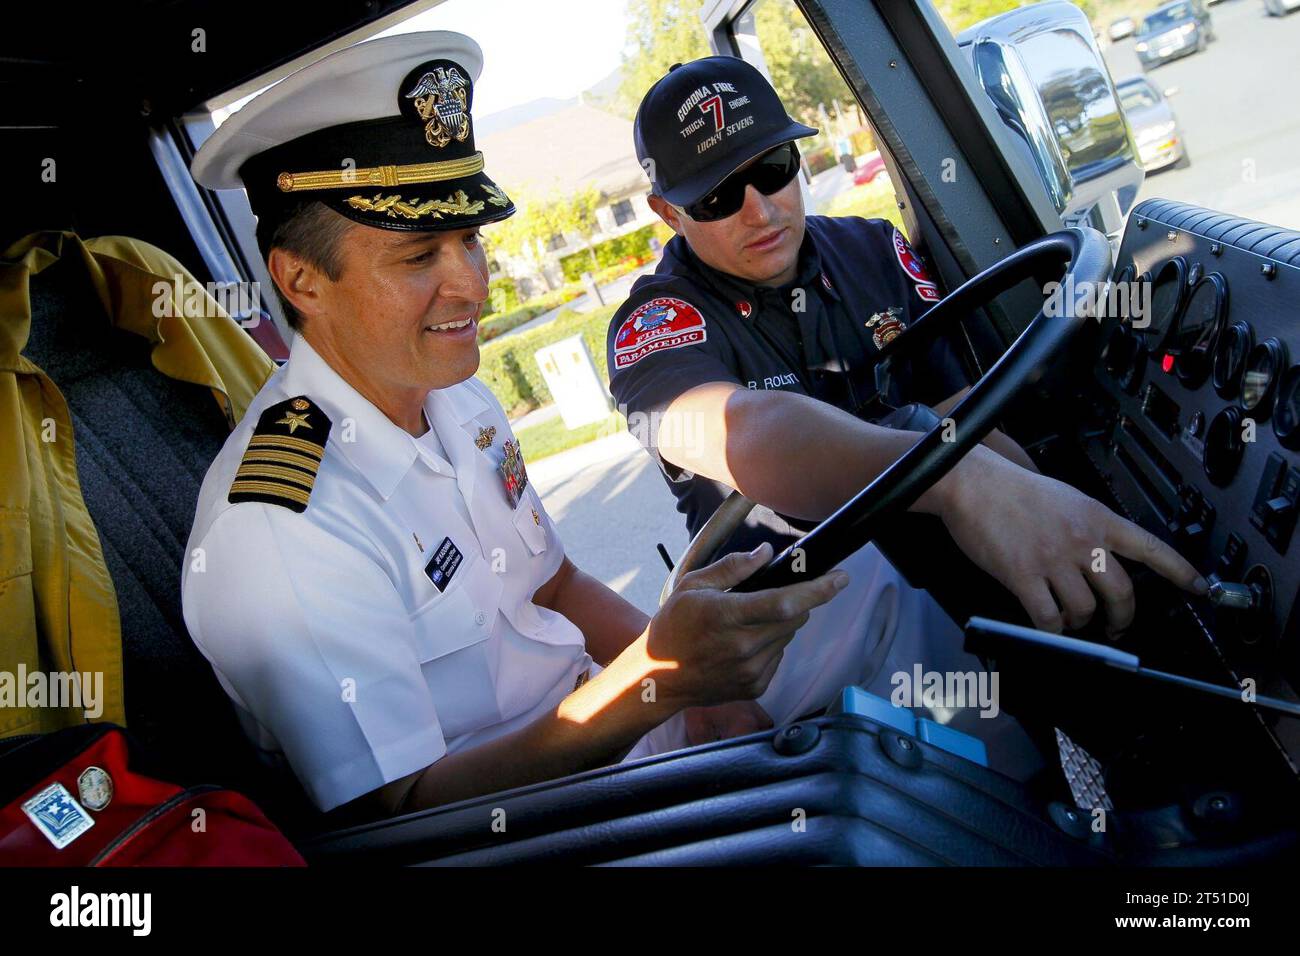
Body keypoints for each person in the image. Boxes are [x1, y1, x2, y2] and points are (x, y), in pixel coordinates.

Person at [181, 32, 847, 821]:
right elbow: (403, 816)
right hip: (536, 829)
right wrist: (663, 680)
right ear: (301, 279)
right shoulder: (280, 526)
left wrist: (700, 692)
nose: (472, 284)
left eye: (471, 238)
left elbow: (556, 585)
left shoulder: (456, 399)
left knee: (867, 592)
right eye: (419, 255)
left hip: (620, 735)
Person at [606, 56, 1208, 765]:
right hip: (792, 614)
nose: (760, 208)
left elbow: (964, 405)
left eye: (772, 167)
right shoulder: (655, 324)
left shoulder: (872, 250)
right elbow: (744, 430)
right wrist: (953, 479)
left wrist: (1021, 486)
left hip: (929, 559)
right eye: (716, 197)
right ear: (667, 212)